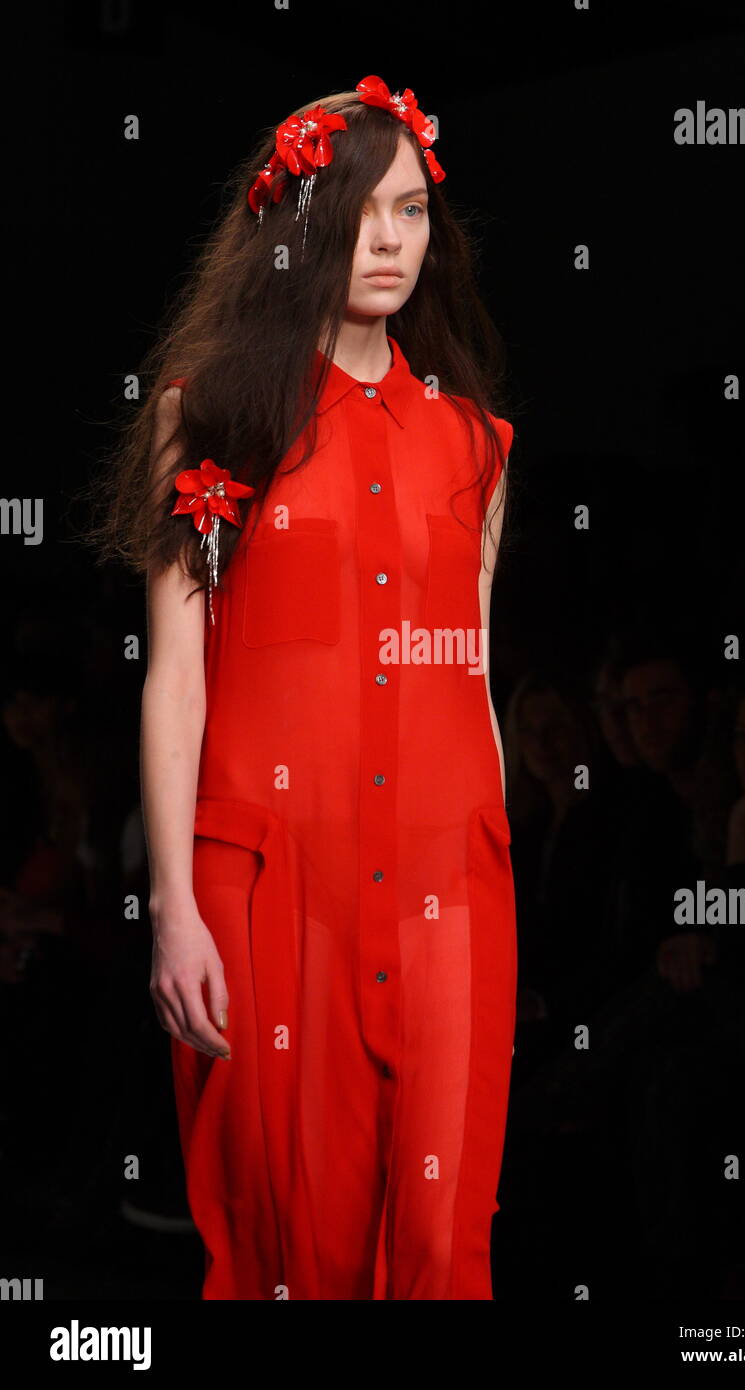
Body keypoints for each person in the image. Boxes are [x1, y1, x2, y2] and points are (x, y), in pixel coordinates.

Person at [83, 77, 517, 1300]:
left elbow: (473, 678)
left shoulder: (476, 447)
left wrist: (489, 867)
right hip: (272, 883)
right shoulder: (211, 416)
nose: (388, 243)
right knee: (293, 1239)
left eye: (412, 212)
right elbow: (177, 679)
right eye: (357, 212)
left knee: (441, 1242)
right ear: (296, 224)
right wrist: (173, 903)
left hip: (447, 885)